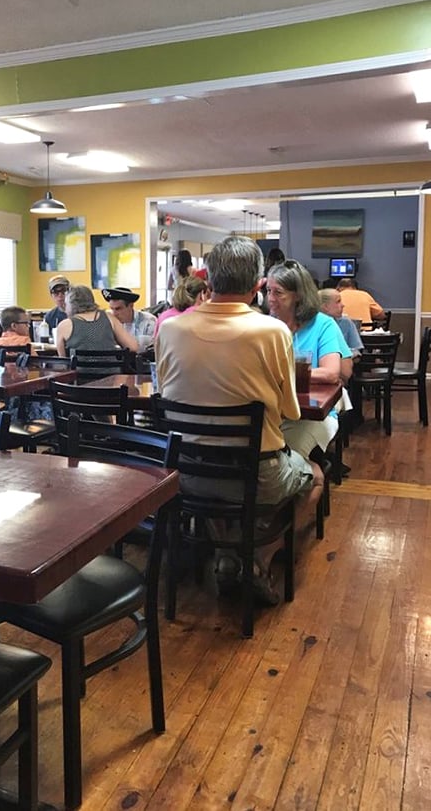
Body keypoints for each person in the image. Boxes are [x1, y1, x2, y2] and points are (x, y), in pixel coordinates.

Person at [156, 236, 319, 604]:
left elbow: (164, 393)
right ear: (258, 285)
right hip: (256, 476)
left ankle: (227, 558)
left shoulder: (169, 329)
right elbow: (291, 412)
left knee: (220, 489)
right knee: (314, 477)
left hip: (187, 475)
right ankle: (257, 559)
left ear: (208, 282)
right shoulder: (272, 331)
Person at [267, 260, 352, 460]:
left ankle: (309, 478)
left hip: (313, 415)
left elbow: (331, 373)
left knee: (286, 458)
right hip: (275, 412)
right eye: (268, 291)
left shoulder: (323, 325)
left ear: (298, 296)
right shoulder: (267, 325)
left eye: (278, 293)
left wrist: (283, 374)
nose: (270, 299)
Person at [56, 284, 138, 361]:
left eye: (66, 304)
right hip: (111, 374)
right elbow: (133, 347)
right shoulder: (110, 318)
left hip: (79, 375)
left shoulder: (64, 326)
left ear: (71, 304)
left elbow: (63, 362)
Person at [319, 288, 363, 357]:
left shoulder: (346, 322)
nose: (343, 305)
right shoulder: (312, 325)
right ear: (325, 307)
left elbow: (356, 351)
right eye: (338, 302)